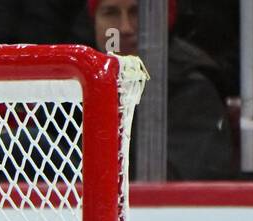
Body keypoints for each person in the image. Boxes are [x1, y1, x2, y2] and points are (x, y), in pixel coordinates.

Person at [88, 0, 234, 180]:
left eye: (136, 13)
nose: (125, 28)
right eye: (111, 13)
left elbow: (181, 183)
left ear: (164, 20)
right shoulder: (68, 87)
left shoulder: (193, 90)